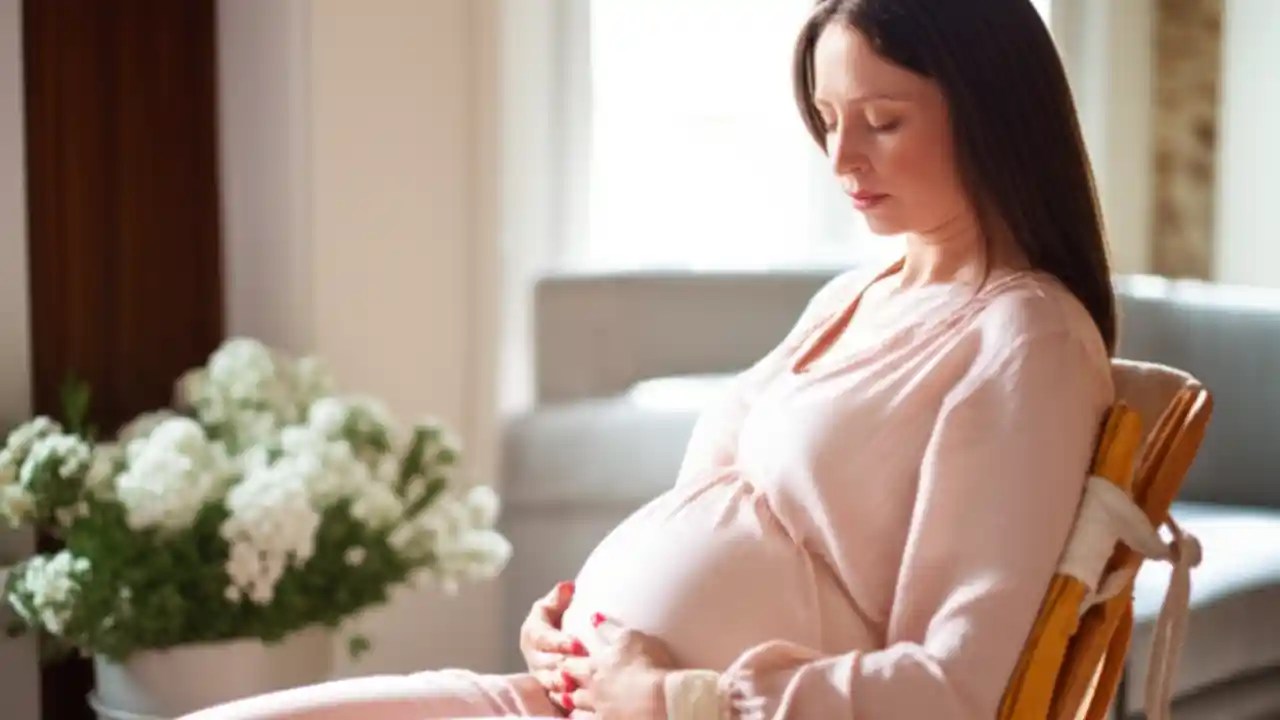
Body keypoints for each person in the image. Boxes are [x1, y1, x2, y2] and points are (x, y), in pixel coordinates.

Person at [186, 0, 1115, 717]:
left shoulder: (1022, 339)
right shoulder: (860, 291)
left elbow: (953, 690)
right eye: (828, 117)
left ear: (991, 111)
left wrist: (685, 700)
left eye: (882, 118)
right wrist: (570, 632)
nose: (842, 158)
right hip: (559, 697)